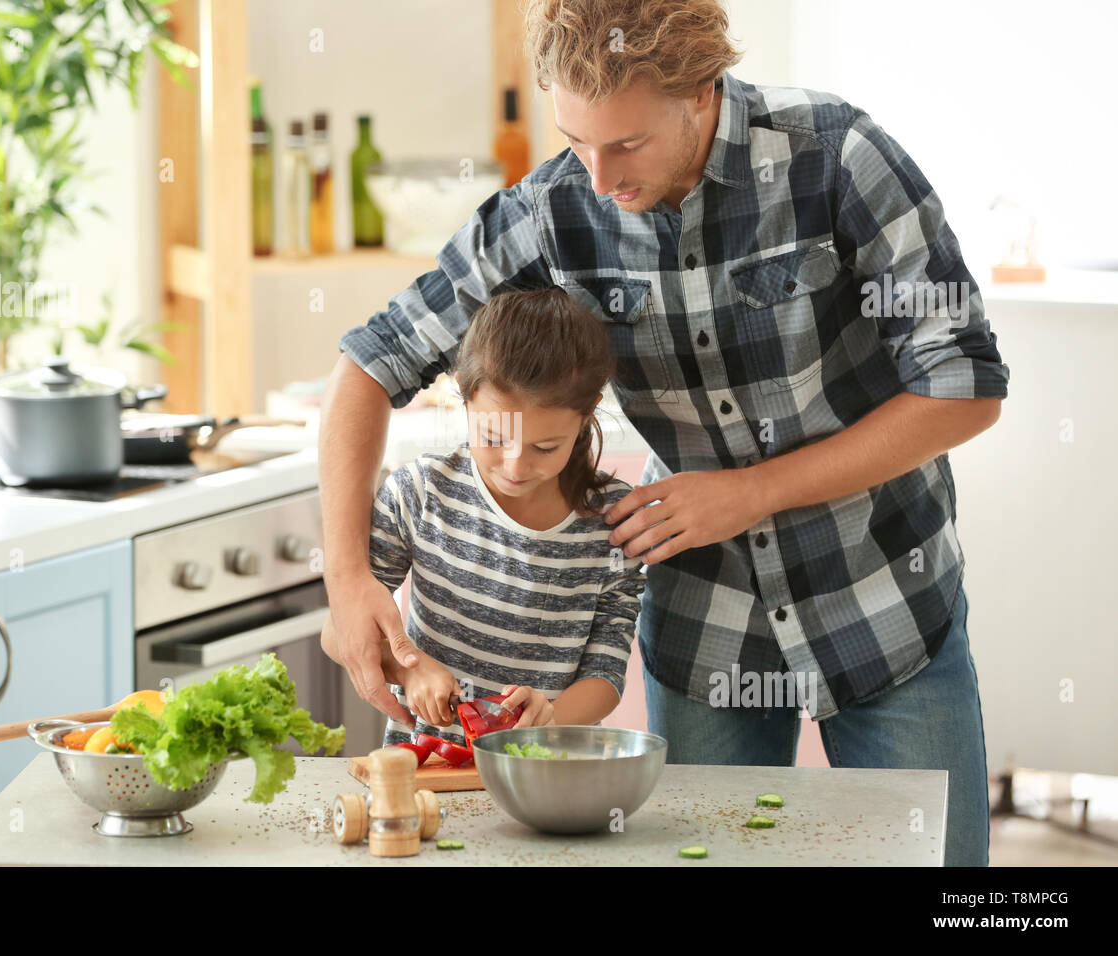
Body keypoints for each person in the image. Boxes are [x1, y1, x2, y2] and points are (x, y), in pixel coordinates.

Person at [320, 0, 1007, 866]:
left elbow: (965, 386)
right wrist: (348, 580)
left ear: (700, 90)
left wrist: (750, 492)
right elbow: (366, 366)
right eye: (576, 141)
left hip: (882, 601)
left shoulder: (836, 157)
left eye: (627, 145)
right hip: (705, 629)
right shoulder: (552, 212)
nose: (599, 178)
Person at [321, 288, 645, 745]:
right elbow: (338, 631)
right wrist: (409, 672)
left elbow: (606, 677)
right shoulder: (420, 493)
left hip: (545, 780)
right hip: (428, 777)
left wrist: (549, 716)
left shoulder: (615, 523)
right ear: (465, 396)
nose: (515, 466)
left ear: (587, 413)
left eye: (545, 447)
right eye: (493, 437)